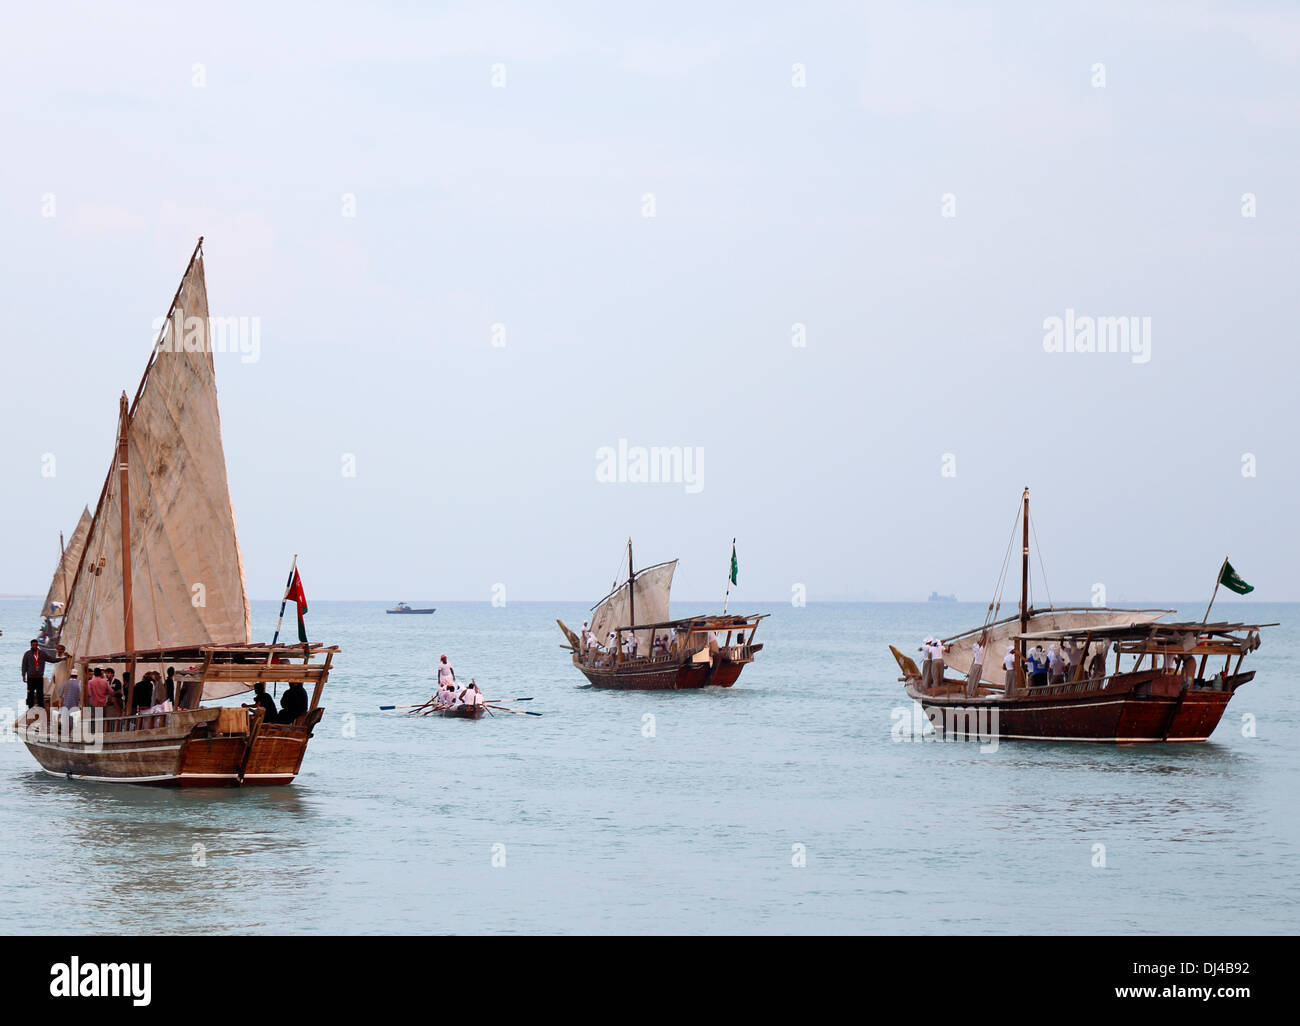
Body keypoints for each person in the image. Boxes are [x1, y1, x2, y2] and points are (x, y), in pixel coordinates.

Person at [21, 638, 64, 709]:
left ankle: (41, 707)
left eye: (35, 645)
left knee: (40, 693)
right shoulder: (27, 654)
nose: (34, 646)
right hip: (30, 677)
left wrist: (61, 659)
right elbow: (24, 665)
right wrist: (23, 675)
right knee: (30, 693)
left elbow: (51, 660)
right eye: (33, 645)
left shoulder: (42, 654)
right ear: (31, 645)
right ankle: (30, 707)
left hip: (39, 677)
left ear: (37, 645)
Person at [57, 671, 82, 738]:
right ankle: (74, 735)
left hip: (66, 704)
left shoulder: (65, 683)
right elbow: (81, 694)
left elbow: (59, 694)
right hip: (75, 704)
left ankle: (65, 735)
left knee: (65, 721)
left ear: (70, 675)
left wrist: (61, 702)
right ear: (77, 676)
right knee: (75, 721)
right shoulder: (79, 683)